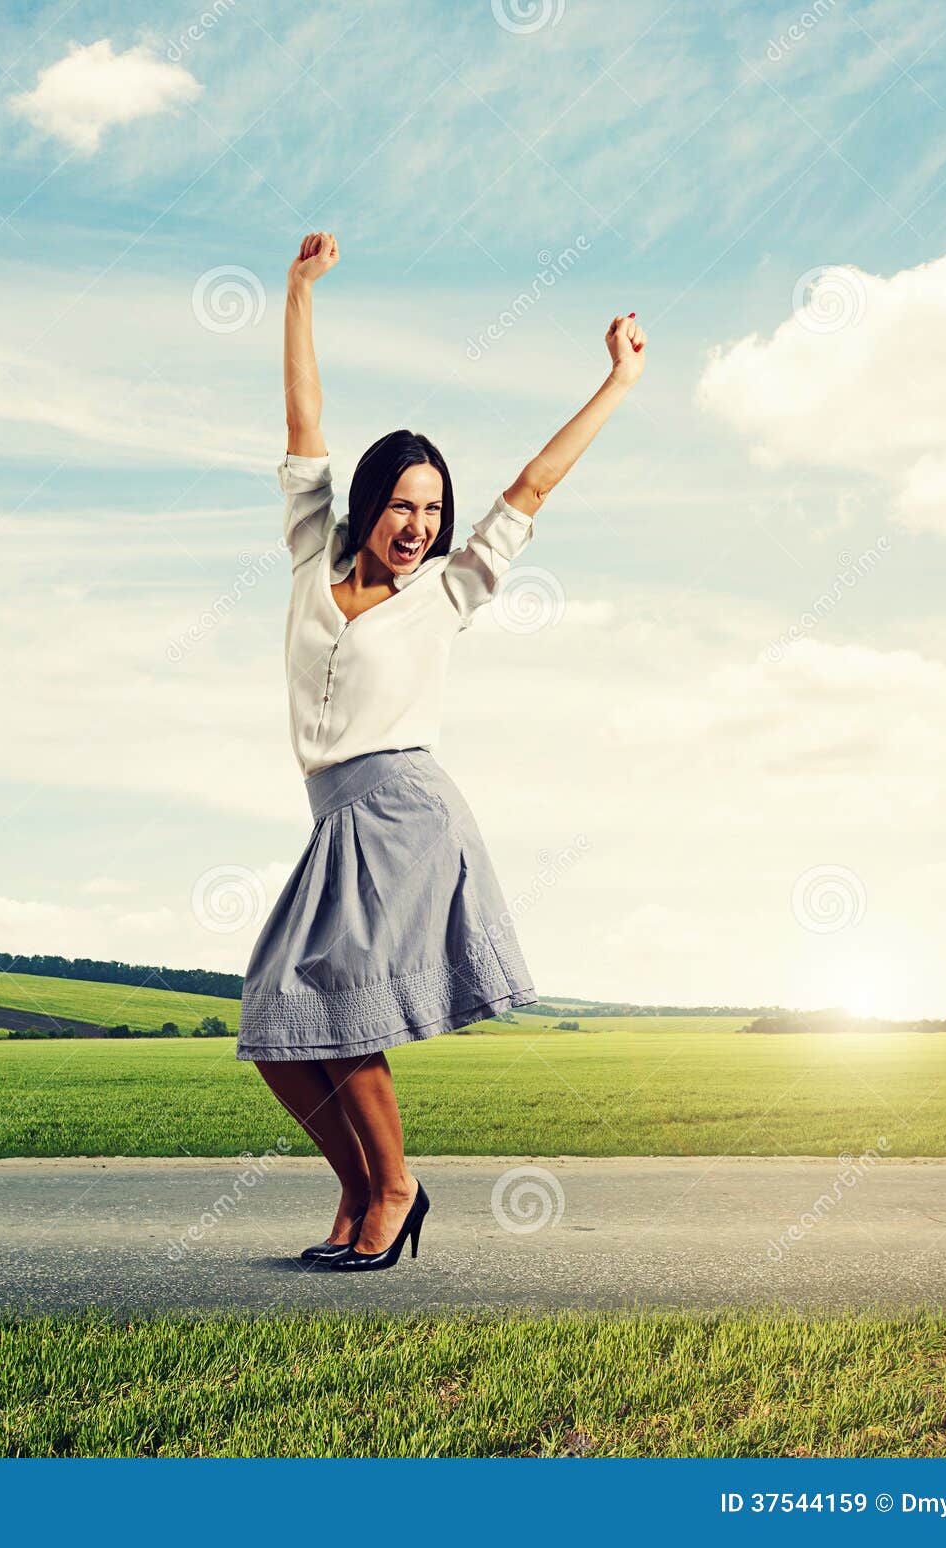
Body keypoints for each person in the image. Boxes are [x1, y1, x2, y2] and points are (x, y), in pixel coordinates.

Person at [237, 231, 645, 1271]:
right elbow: (303, 418)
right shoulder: (307, 553)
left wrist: (618, 380)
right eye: (401, 505)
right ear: (366, 503)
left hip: (407, 814)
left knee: (333, 1018)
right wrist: (297, 292)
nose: (416, 525)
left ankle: (395, 1191)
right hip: (336, 816)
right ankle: (363, 1188)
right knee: (278, 1022)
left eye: (431, 509)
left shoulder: (448, 593)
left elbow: (533, 486)